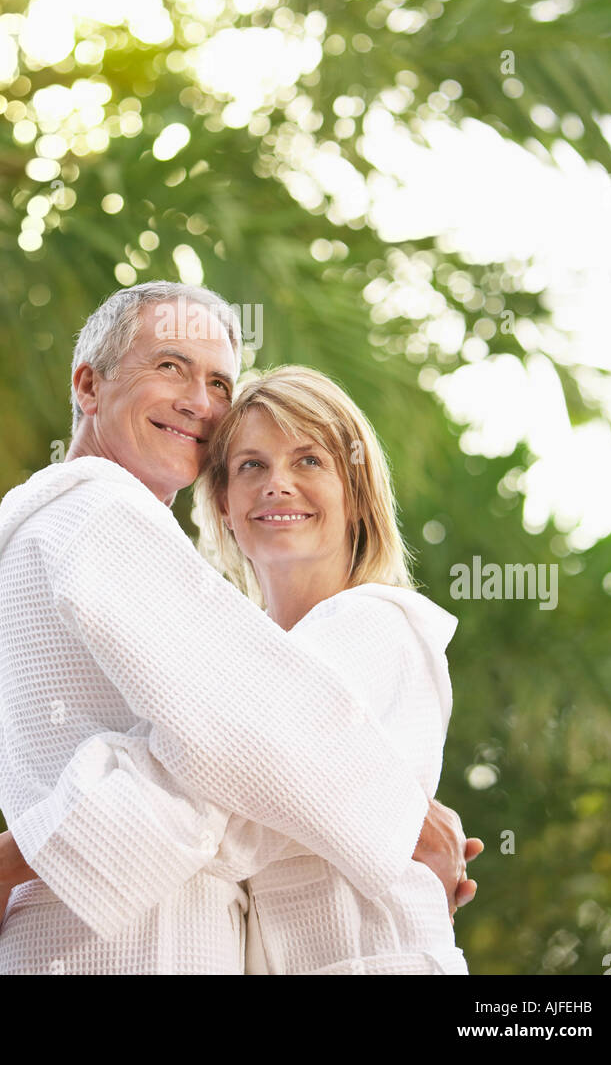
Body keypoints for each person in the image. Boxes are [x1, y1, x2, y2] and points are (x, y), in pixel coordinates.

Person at [0, 282, 480, 974]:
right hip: (127, 945)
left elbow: (237, 751)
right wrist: (394, 804)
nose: (200, 399)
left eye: (218, 380)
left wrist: (17, 855)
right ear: (88, 384)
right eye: (170, 366)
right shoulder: (101, 514)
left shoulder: (370, 623)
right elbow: (245, 744)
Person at [190, 364, 469, 973]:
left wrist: (28, 853)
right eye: (251, 466)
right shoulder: (238, 660)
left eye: (309, 461)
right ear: (224, 504)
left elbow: (221, 806)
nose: (277, 484)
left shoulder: (375, 622)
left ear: (357, 492)